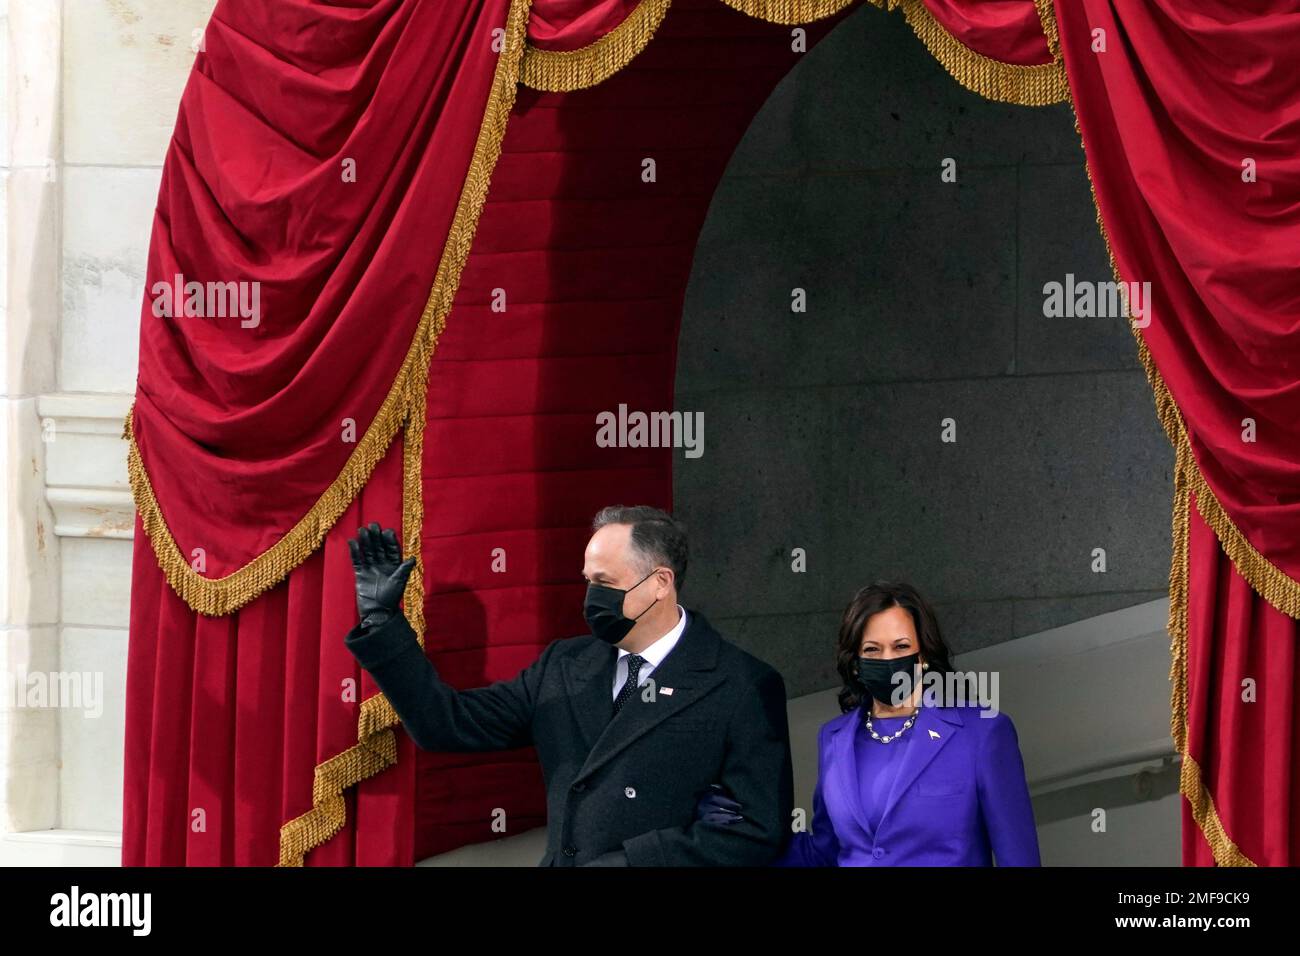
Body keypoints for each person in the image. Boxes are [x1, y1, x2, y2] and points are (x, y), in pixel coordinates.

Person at [342, 505, 792, 866]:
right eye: (587, 582)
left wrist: (633, 861)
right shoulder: (564, 665)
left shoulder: (741, 684)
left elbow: (758, 831)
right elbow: (448, 724)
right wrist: (384, 625)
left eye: (605, 582)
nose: (591, 598)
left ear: (660, 583)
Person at [768, 580, 1040, 866]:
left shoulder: (983, 733)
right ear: (856, 663)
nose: (888, 659)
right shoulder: (832, 738)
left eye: (901, 646)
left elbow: (1019, 857)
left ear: (923, 655)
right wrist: (737, 830)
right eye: (872, 649)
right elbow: (824, 851)